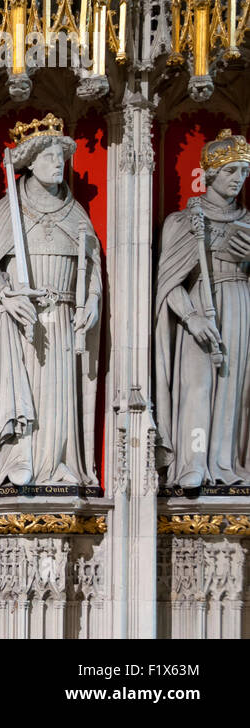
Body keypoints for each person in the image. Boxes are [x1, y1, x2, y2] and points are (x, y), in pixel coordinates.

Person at [0, 113, 101, 488]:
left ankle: (59, 462)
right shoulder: (6, 211)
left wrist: (93, 299)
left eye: (62, 157)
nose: (58, 163)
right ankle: (19, 457)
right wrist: (5, 296)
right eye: (49, 156)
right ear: (29, 161)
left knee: (58, 396)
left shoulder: (76, 213)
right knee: (25, 388)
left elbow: (92, 266)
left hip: (62, 315)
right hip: (21, 318)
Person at [155, 130, 250, 488]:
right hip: (199, 310)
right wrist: (192, 317)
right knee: (198, 386)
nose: (238, 179)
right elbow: (168, 283)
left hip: (242, 308)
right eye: (231, 171)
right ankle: (191, 463)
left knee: (236, 391)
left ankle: (228, 464)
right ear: (210, 174)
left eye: (243, 172)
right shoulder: (183, 222)